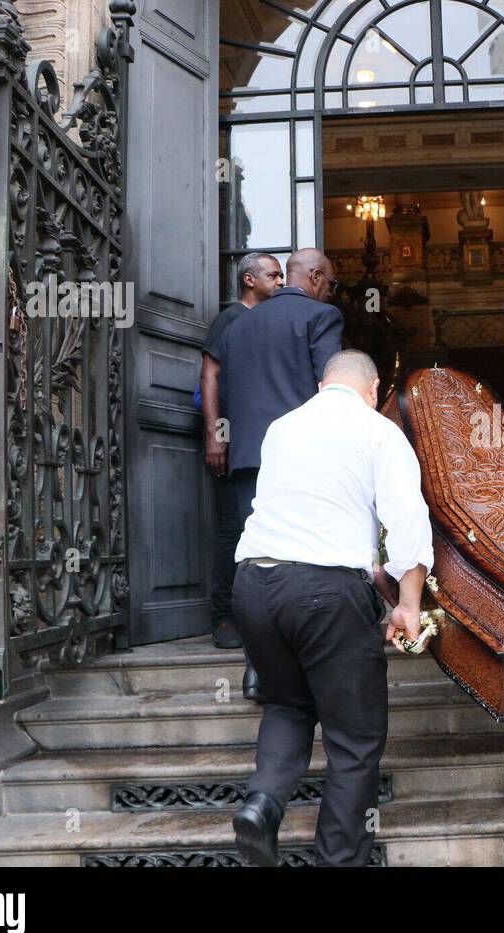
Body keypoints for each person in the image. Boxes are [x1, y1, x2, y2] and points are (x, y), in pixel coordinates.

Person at [230, 350, 433, 868]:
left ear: (322, 386)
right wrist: (408, 603)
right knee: (356, 739)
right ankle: (338, 860)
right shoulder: (379, 431)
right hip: (326, 590)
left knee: (287, 703)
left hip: (253, 583)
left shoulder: (281, 426)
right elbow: (407, 521)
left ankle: (262, 804)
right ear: (372, 394)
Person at [211, 248, 343, 700]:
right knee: (308, 558)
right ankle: (312, 667)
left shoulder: (238, 324)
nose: (328, 290)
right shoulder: (321, 317)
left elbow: (228, 393)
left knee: (257, 563)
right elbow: (333, 388)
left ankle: (257, 670)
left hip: (249, 456)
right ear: (317, 277)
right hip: (303, 457)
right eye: (329, 283)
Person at [200, 252, 283, 650]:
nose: (281, 281)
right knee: (234, 528)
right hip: (233, 443)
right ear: (249, 280)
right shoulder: (231, 319)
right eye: (273, 274)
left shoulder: (269, 321)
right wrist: (216, 435)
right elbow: (210, 374)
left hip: (264, 445)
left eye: (283, 274)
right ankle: (223, 617)